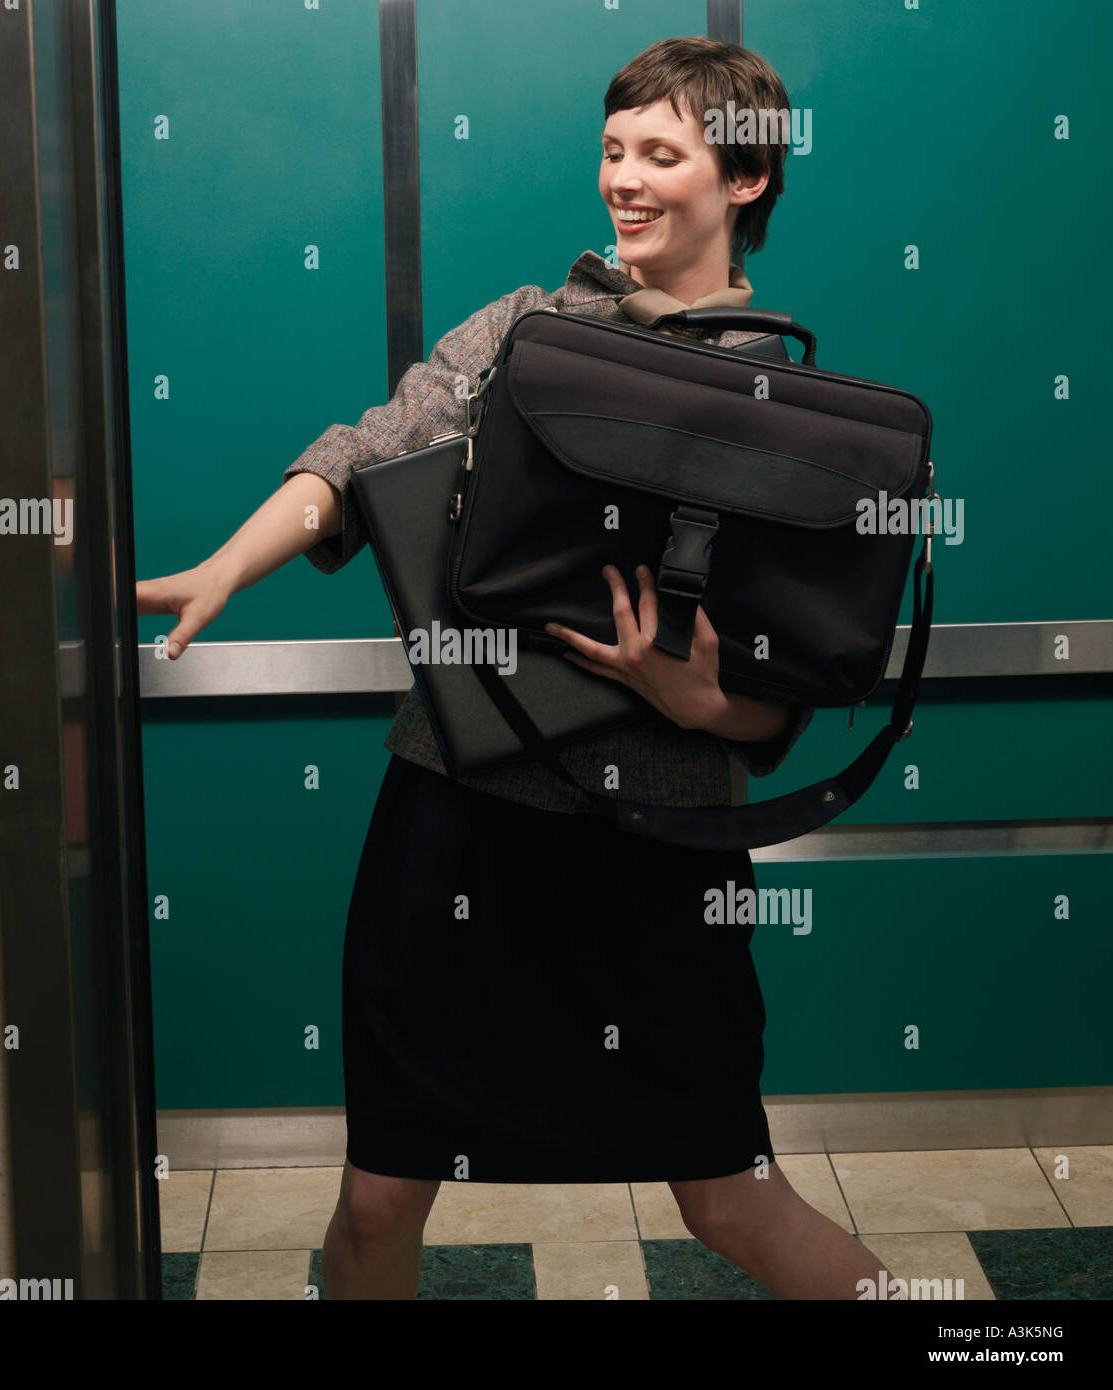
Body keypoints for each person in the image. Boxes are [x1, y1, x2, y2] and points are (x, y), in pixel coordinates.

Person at [137, 37, 895, 1301]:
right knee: (379, 1199)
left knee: (730, 1197)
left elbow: (770, 693)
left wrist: (684, 696)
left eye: (662, 153)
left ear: (748, 176)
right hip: (457, 825)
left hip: (654, 857)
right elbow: (367, 450)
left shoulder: (792, 403)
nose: (625, 181)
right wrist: (228, 565)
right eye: (613, 152)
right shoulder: (526, 327)